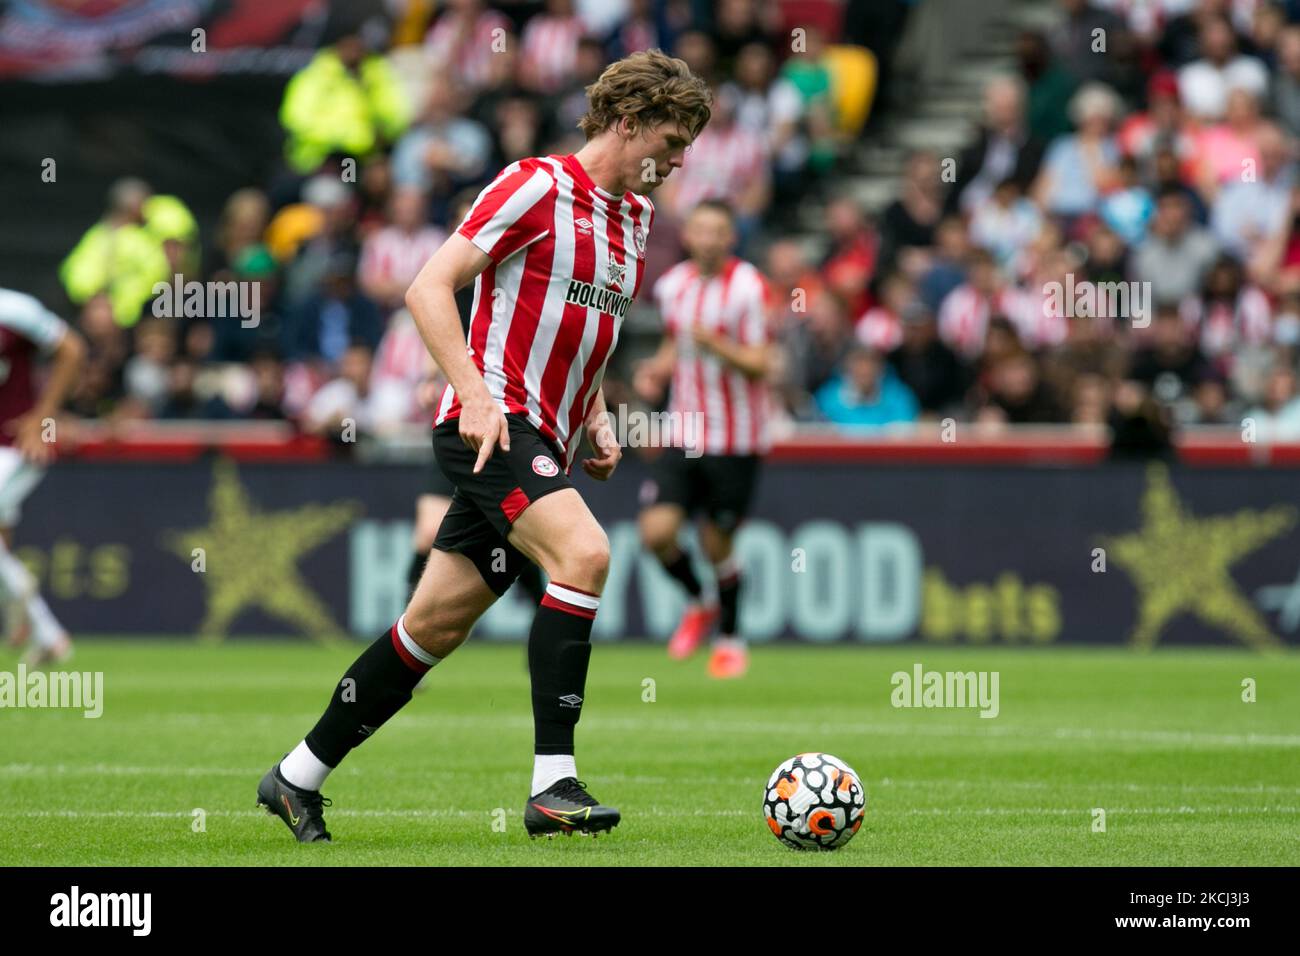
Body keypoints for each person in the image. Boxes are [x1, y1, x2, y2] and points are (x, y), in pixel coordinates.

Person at [257, 49, 712, 843]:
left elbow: (585, 334)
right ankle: (552, 786)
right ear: (629, 123)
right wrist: (473, 392)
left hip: (548, 432)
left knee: (430, 628)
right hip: (489, 426)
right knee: (587, 555)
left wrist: (596, 416)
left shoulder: (635, 218)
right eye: (671, 143)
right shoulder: (536, 184)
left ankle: (296, 777)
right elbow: (427, 286)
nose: (677, 163)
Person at [634, 200, 774, 679]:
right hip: (683, 431)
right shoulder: (674, 287)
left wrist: (716, 343)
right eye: (702, 230)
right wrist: (657, 369)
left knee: (717, 543)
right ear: (688, 236)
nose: (710, 239)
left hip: (735, 439)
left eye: (719, 231)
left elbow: (761, 362)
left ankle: (732, 637)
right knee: (656, 533)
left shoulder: (748, 288)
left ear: (731, 237)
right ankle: (698, 601)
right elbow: (677, 340)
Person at [0, 289, 86, 666]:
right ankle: (36, 626)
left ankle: (32, 617)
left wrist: (45, 416)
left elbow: (72, 349)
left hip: (19, 443)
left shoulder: (13, 309)